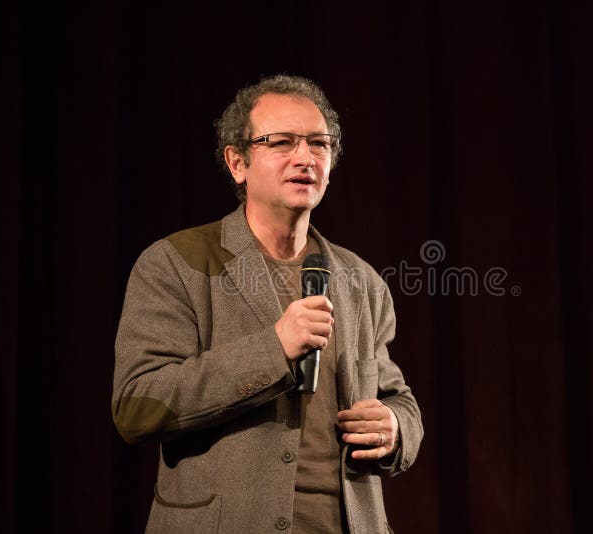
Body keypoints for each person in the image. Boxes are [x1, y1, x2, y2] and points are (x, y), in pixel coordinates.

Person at [112, 74, 423, 533]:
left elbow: (399, 398)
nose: (305, 157)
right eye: (281, 142)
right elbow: (138, 404)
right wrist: (273, 348)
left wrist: (395, 426)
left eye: (319, 143)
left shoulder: (361, 281)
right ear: (237, 162)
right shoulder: (175, 263)